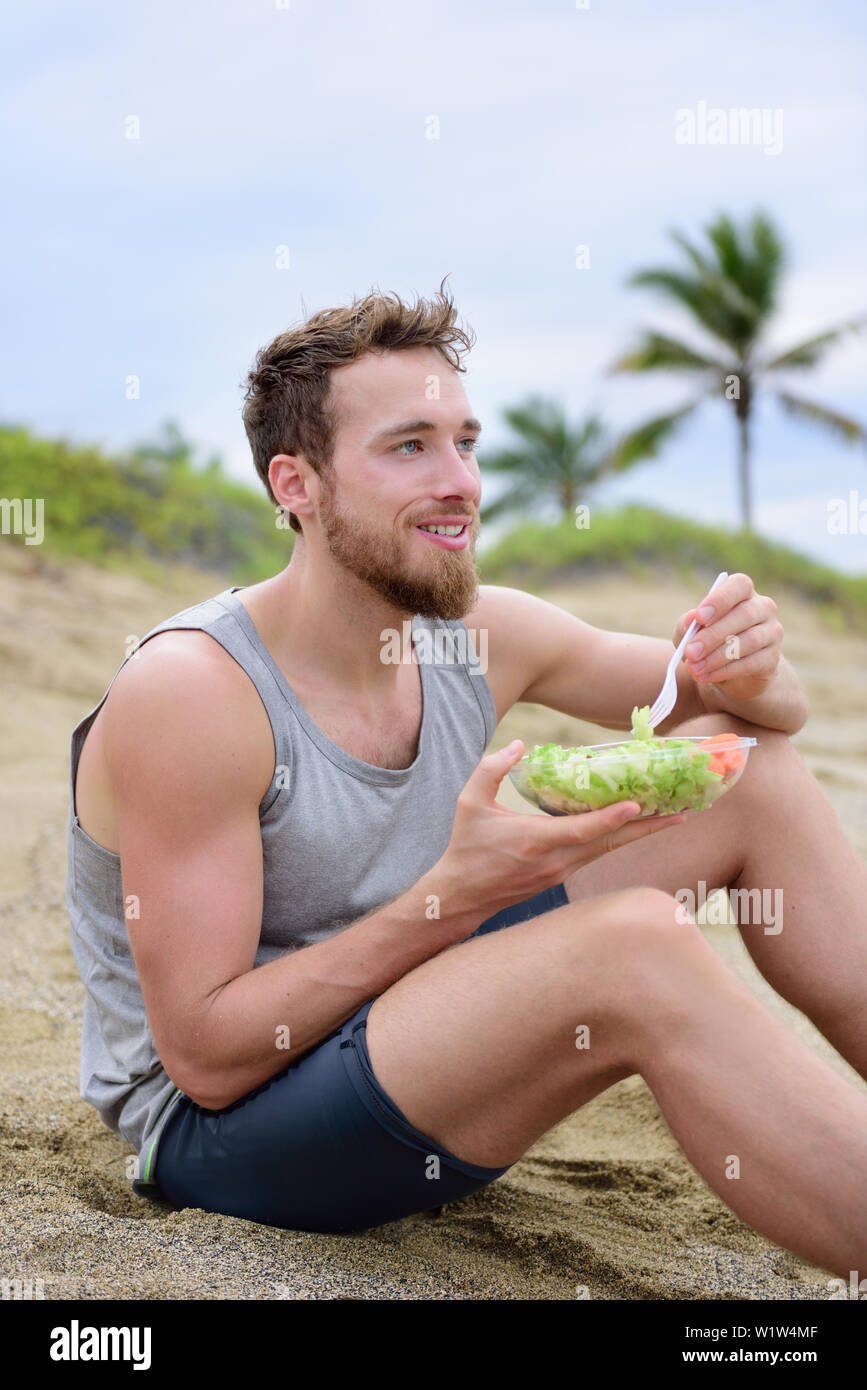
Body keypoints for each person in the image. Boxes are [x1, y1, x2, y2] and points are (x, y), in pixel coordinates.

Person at [67, 281, 867, 1280]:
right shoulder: (195, 693)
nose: (461, 482)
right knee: (632, 948)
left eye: (467, 442)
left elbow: (745, 709)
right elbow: (209, 1055)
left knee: (753, 774)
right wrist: (455, 895)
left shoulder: (476, 636)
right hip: (222, 1134)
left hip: (416, 1035)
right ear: (296, 485)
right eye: (409, 447)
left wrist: (757, 668)